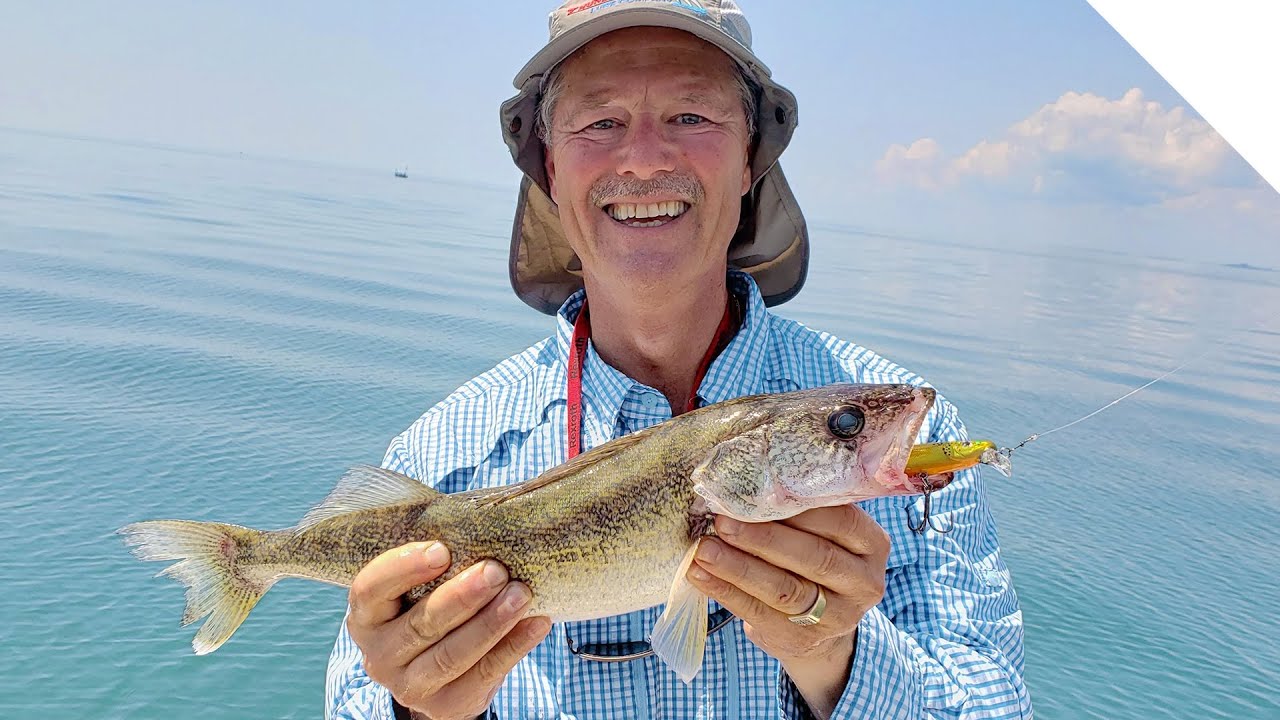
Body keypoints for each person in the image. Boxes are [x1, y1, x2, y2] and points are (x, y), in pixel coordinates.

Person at [326, 1, 1031, 718]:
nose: (645, 158)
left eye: (691, 116)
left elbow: (996, 703)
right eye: (601, 122)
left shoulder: (916, 448)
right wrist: (417, 706)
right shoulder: (436, 460)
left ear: (751, 159)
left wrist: (837, 656)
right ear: (551, 168)